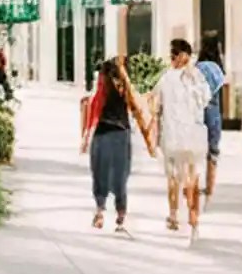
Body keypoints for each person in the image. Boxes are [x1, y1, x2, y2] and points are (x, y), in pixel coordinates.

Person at [81, 57, 152, 233]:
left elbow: (91, 111)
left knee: (101, 175)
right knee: (119, 177)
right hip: (119, 134)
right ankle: (119, 216)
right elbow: (137, 110)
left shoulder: (105, 90)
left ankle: (101, 211)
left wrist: (85, 136)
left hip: (105, 134)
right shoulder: (122, 89)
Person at [151, 39, 211, 240]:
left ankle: (175, 215)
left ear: (184, 55)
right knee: (191, 180)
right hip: (193, 137)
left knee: (174, 179)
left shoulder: (167, 78)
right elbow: (206, 100)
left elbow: (155, 107)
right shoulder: (197, 77)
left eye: (174, 54)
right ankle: (192, 220)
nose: (173, 58)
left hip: (174, 137)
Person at [196, 35, 225, 198]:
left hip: (198, 111)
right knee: (213, 151)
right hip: (213, 111)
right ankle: (210, 187)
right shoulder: (217, 69)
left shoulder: (197, 67)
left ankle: (194, 183)